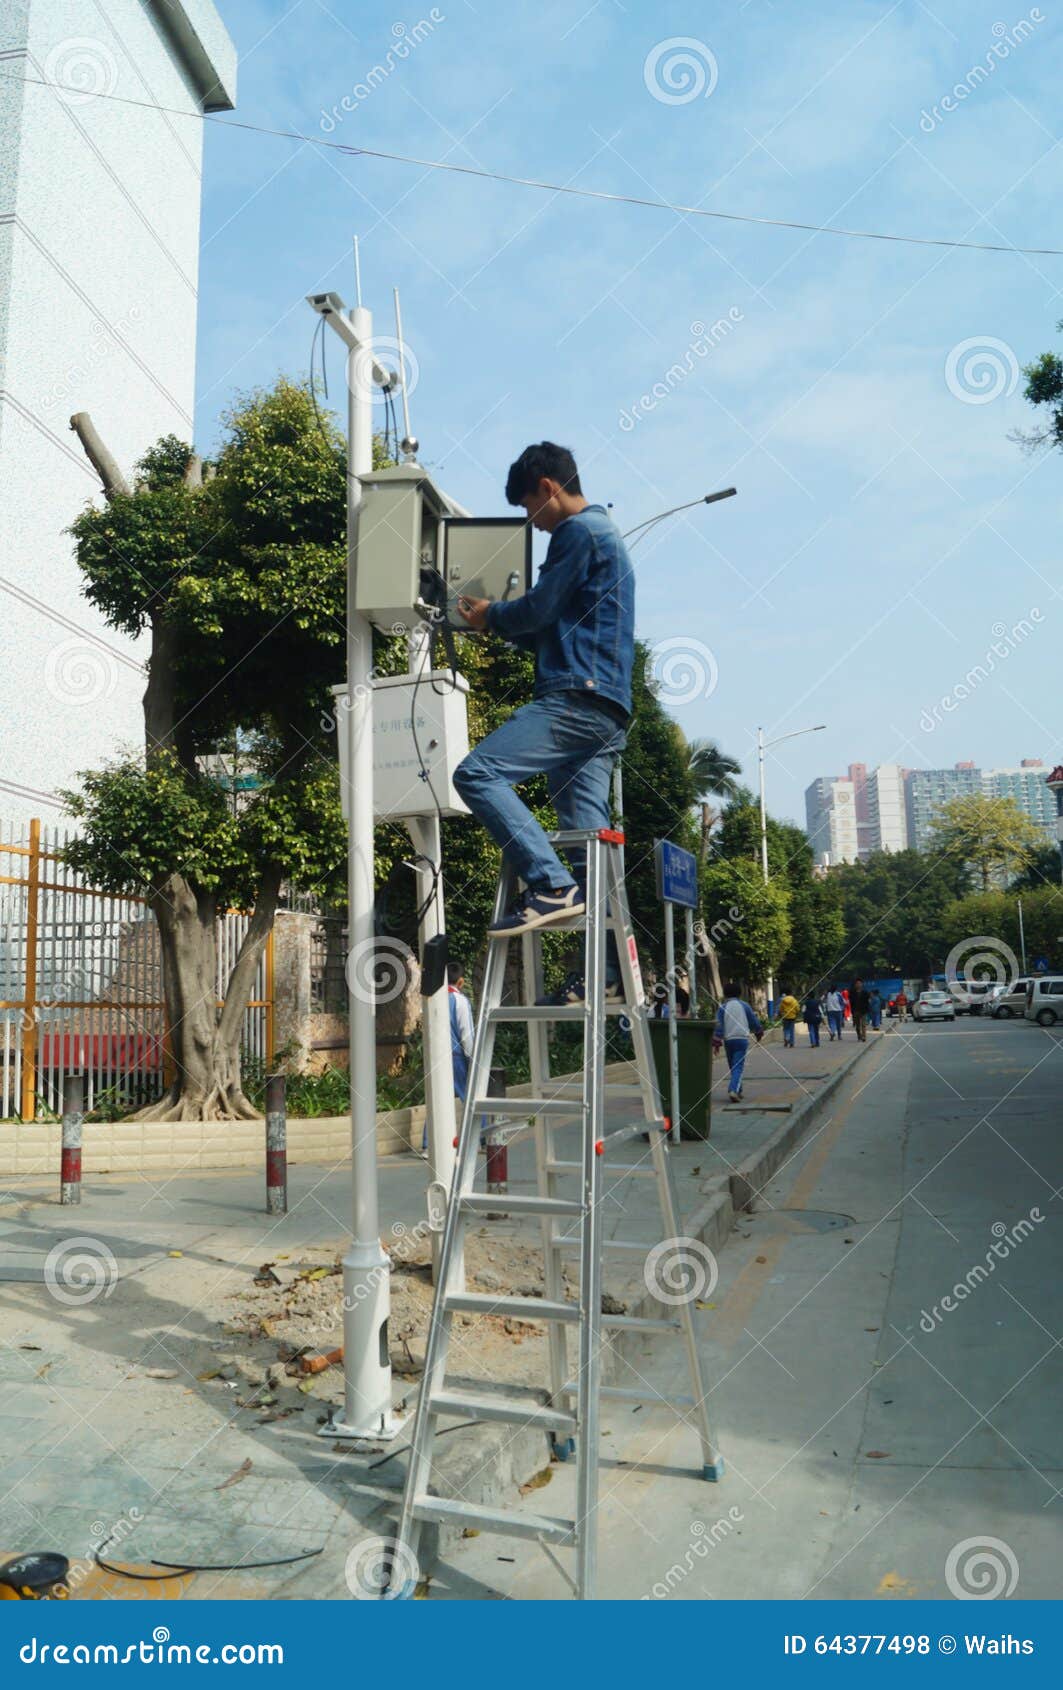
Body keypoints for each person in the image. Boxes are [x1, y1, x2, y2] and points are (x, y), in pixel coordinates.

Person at [454, 443, 633, 1005]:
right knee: (587, 842)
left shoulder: (579, 534)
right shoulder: (606, 536)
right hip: (606, 710)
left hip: (576, 700)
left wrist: (491, 616)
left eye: (531, 507)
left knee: (476, 775)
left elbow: (535, 609)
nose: (532, 522)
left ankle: (549, 886)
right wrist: (494, 624)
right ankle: (602, 974)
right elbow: (545, 624)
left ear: (549, 487)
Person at [422, 962, 475, 1155]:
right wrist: (473, 1058)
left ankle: (429, 1145)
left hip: (436, 1055)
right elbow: (466, 1033)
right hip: (457, 1057)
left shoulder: (432, 999)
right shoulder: (460, 1001)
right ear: (461, 981)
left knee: (436, 1098)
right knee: (472, 1097)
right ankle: (481, 1139)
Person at [713, 982, 763, 1103]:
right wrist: (758, 1032)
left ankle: (738, 1090)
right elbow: (753, 1021)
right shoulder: (745, 1005)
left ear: (725, 994)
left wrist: (717, 1041)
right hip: (741, 1040)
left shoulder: (722, 1007)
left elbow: (718, 1026)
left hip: (728, 1040)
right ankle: (733, 1090)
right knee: (738, 1067)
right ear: (739, 993)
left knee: (733, 1066)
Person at [849, 978, 871, 1042]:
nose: (858, 985)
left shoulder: (865, 992)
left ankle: (864, 1037)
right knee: (858, 1026)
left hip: (863, 1011)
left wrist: (867, 1009)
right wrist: (852, 1011)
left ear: (862, 984)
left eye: (860, 983)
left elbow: (868, 1001)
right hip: (856, 1011)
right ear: (855, 985)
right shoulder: (852, 993)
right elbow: (851, 1002)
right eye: (857, 983)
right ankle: (859, 1036)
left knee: (863, 1025)